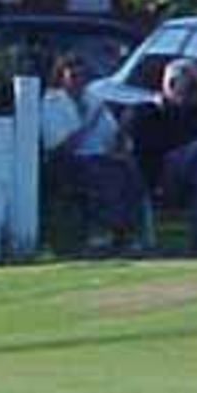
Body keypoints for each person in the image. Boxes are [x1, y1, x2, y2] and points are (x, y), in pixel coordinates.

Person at [39, 52, 152, 253]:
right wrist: (87, 124)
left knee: (129, 170)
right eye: (72, 75)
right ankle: (101, 233)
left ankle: (129, 234)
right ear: (61, 77)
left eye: (82, 76)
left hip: (99, 158)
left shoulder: (94, 100)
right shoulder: (51, 103)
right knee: (102, 174)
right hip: (66, 162)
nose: (78, 80)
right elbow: (60, 146)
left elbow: (112, 134)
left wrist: (121, 139)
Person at [123, 59, 197, 254]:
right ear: (172, 85)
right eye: (191, 87)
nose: (196, 95)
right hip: (156, 177)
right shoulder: (144, 112)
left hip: (188, 177)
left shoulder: (190, 114)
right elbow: (144, 152)